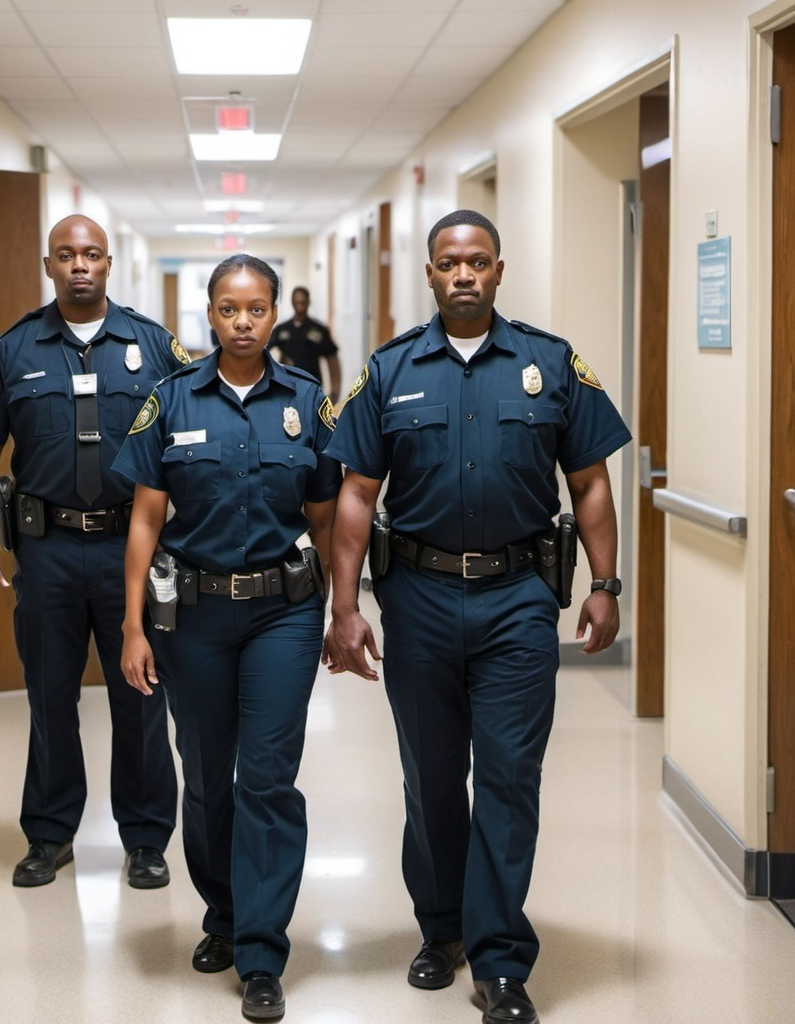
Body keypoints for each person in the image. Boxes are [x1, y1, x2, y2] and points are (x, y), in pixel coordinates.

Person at [322, 210, 631, 1024]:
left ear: (500, 270)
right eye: (450, 263)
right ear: (429, 274)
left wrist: (606, 583)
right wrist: (344, 605)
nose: (464, 274)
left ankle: (498, 960)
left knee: (507, 777)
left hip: (518, 600)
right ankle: (442, 928)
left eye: (479, 261)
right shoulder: (389, 371)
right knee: (429, 779)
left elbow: (590, 482)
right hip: (418, 600)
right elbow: (356, 494)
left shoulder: (551, 363)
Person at [115, 254, 340, 1022]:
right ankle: (223, 913)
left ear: (275, 312)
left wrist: (339, 613)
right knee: (207, 777)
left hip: (283, 611)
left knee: (267, 779)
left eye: (255, 308)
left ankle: (261, 949)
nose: (242, 321)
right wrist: (131, 624)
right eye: (227, 308)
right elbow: (145, 519)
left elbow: (322, 519)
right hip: (196, 617)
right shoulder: (170, 400)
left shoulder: (308, 403)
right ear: (207, 315)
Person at [0, 214, 186, 890]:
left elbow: (191, 436)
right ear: (48, 265)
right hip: (47, 551)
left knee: (140, 695)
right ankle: (50, 834)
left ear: (109, 264)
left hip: (130, 551)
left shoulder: (154, 345)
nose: (79, 265)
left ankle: (145, 839)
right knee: (49, 696)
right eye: (66, 255)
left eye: (91, 254)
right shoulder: (16, 349)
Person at [269, 286, 342, 403]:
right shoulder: (282, 330)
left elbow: (332, 359)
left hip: (311, 387)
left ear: (308, 302)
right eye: (297, 302)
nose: (300, 306)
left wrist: (335, 391)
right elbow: (263, 351)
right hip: (286, 388)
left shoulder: (319, 330)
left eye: (303, 302)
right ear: (292, 303)